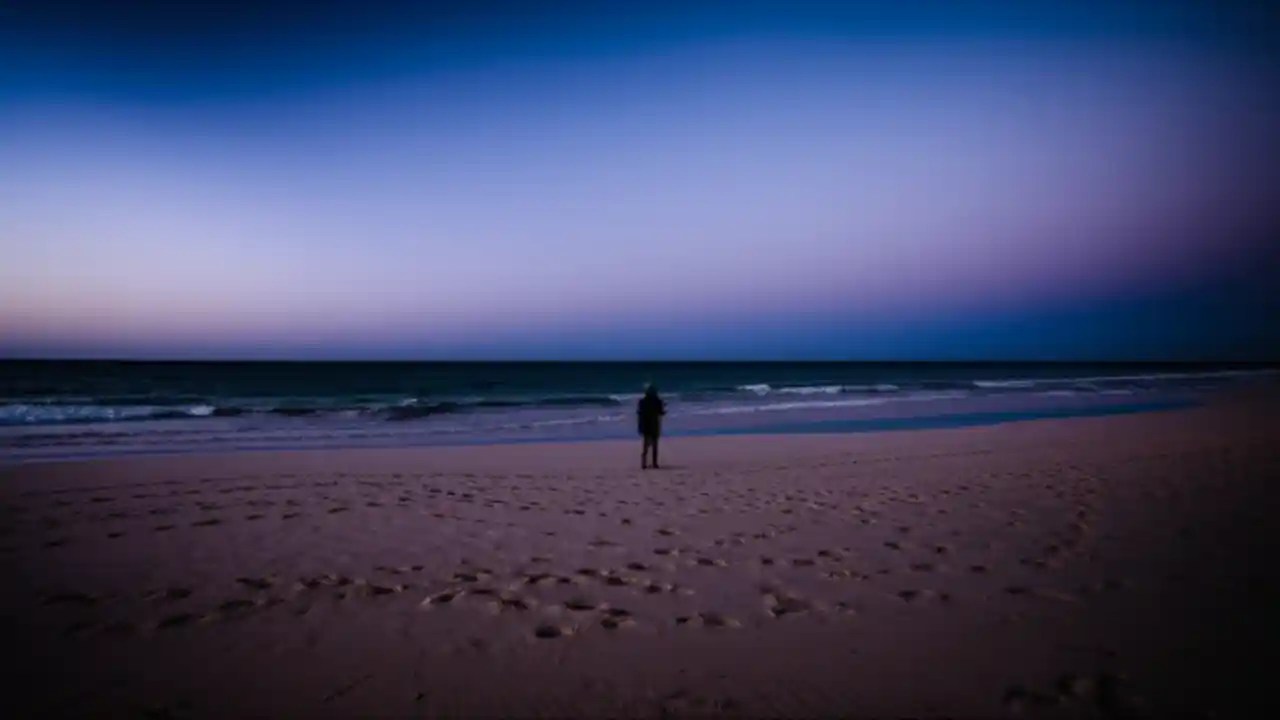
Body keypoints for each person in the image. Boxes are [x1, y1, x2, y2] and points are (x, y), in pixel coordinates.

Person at [636, 385, 666, 469]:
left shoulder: (642, 401)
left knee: (646, 445)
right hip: (654, 424)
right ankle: (654, 463)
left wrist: (640, 426)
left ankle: (644, 463)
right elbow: (661, 412)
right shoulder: (658, 401)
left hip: (645, 424)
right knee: (655, 445)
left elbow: (639, 413)